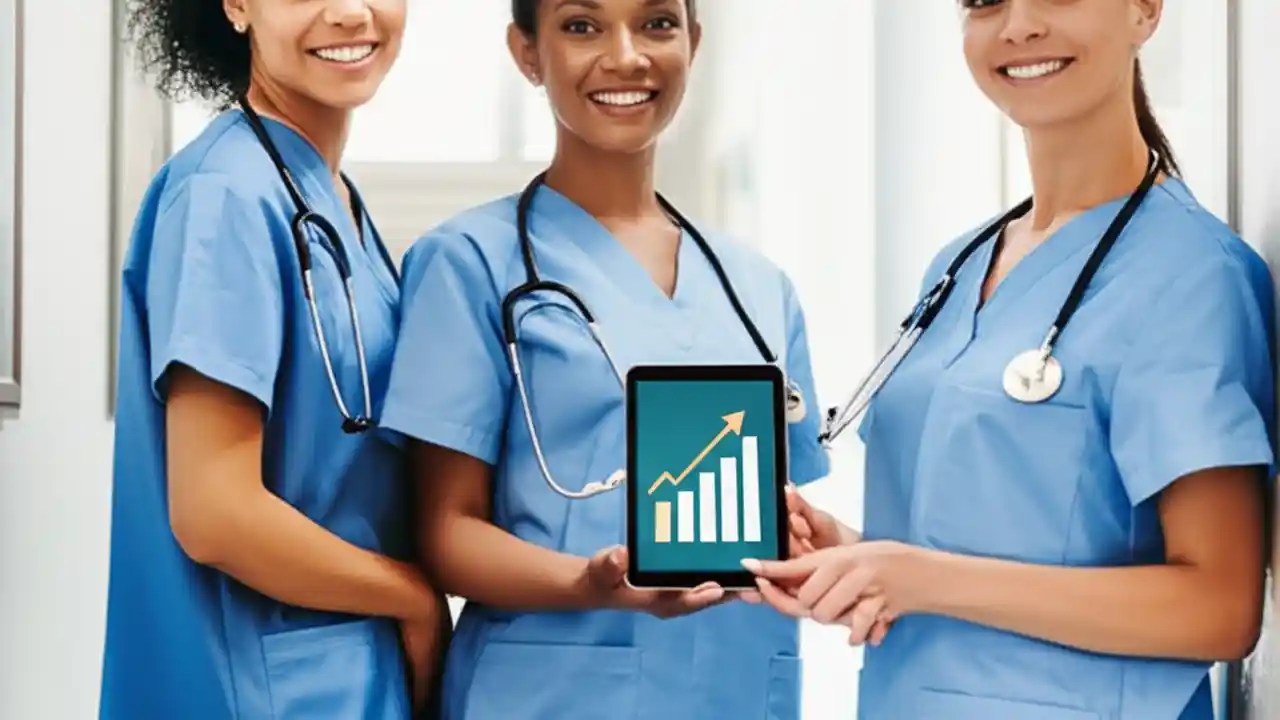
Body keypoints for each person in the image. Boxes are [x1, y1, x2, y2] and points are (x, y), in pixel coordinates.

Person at [744, 1, 1275, 718]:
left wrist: (917, 577)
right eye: (985, 0)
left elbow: (1219, 605)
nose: (1018, 25)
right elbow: (970, 548)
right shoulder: (958, 266)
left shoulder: (1191, 275)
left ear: (1145, 10)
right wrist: (853, 558)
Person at [378, 0, 829, 718]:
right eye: (581, 26)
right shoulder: (469, 264)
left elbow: (789, 513)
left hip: (737, 684)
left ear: (693, 42)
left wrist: (810, 539)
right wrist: (587, 583)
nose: (626, 57)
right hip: (552, 692)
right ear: (527, 52)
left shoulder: (759, 287)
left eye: (657, 23)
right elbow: (443, 532)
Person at [100, 2, 448, 718]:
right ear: (235, 5)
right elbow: (215, 513)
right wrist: (411, 597)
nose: (350, 12)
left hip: (341, 675)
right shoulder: (226, 193)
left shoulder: (328, 197)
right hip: (264, 688)